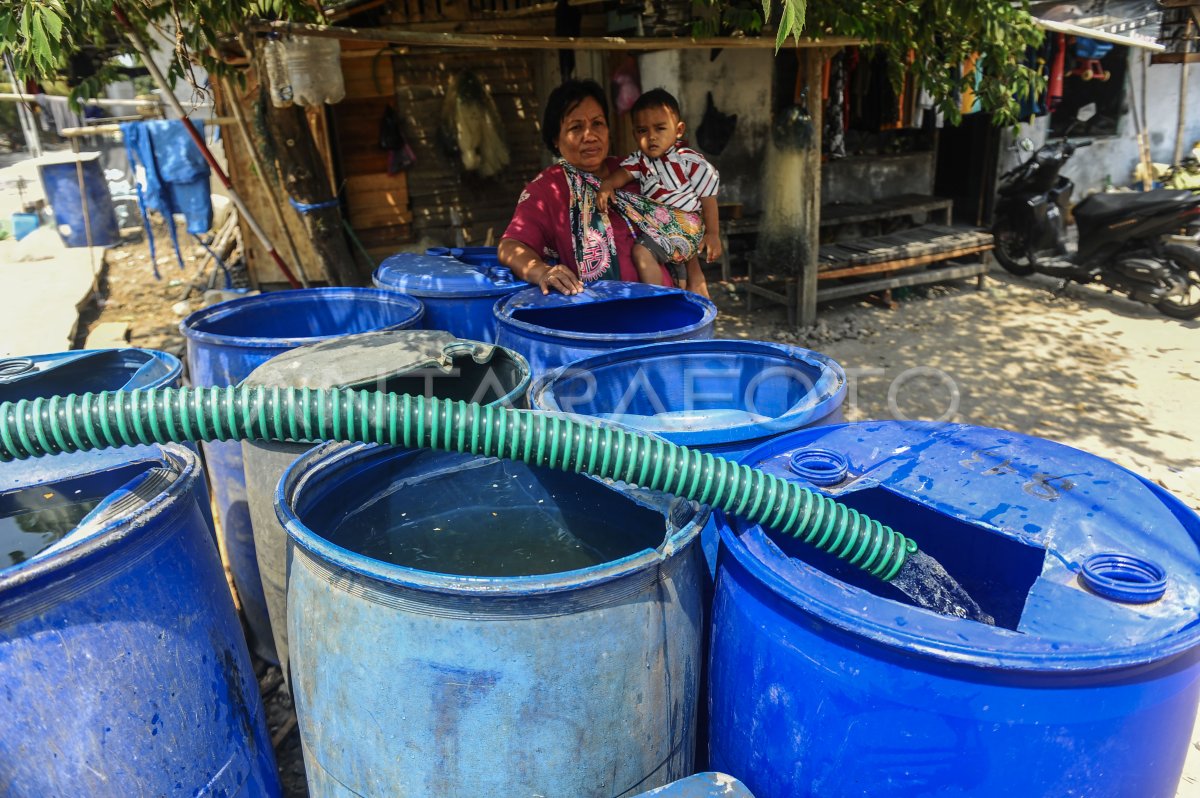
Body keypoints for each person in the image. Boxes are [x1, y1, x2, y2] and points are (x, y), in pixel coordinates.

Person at [497, 79, 675, 296]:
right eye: (576, 127)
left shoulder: (633, 170)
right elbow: (510, 246)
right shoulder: (546, 190)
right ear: (555, 138)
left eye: (598, 123)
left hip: (668, 304)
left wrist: (695, 275)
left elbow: (678, 219)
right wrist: (543, 271)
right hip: (603, 312)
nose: (590, 136)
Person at [596, 88, 721, 296]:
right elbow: (623, 175)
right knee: (682, 279)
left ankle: (657, 299)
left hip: (685, 225)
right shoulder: (640, 160)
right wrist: (607, 184)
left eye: (660, 128)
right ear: (634, 134)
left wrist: (713, 234)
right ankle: (681, 298)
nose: (651, 137)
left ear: (679, 130)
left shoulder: (689, 160)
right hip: (663, 229)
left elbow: (708, 199)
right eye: (642, 130)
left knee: (641, 252)